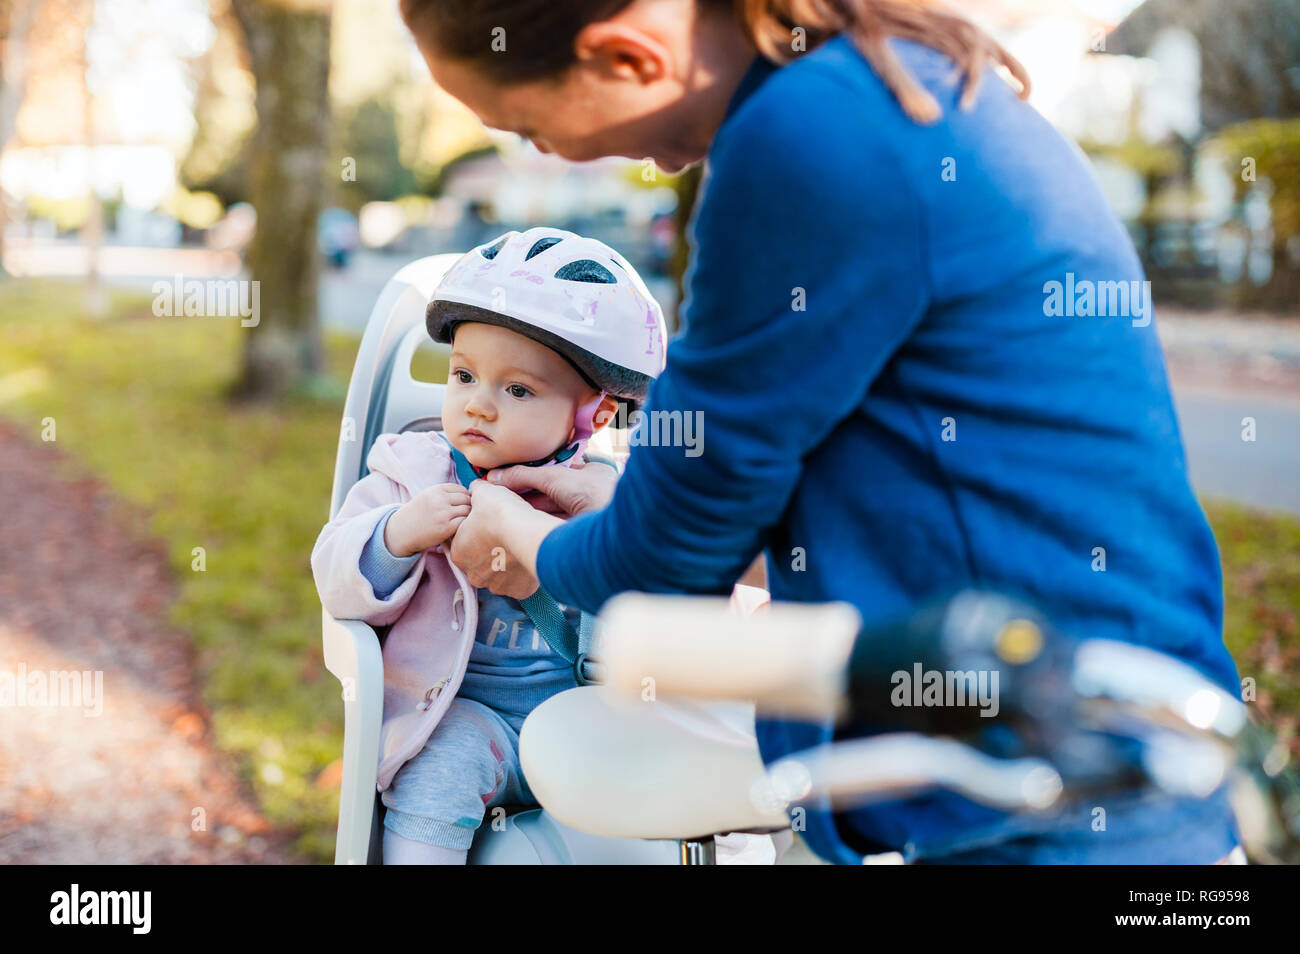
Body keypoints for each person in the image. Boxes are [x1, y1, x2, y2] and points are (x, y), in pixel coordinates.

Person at [404, 0, 1247, 864]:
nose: (543, 153)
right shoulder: (890, 80)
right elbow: (885, 487)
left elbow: (662, 570)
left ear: (626, 58)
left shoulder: (802, 139)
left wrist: (527, 540)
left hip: (1037, 789)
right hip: (1125, 754)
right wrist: (620, 508)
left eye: (529, 127)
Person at [311, 227, 666, 864]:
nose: (479, 404)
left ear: (596, 417)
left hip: (587, 720)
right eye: (465, 375)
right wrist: (399, 534)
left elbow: (656, 615)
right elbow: (333, 573)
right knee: (439, 774)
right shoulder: (411, 474)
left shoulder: (606, 496)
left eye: (518, 389)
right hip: (468, 716)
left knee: (655, 817)